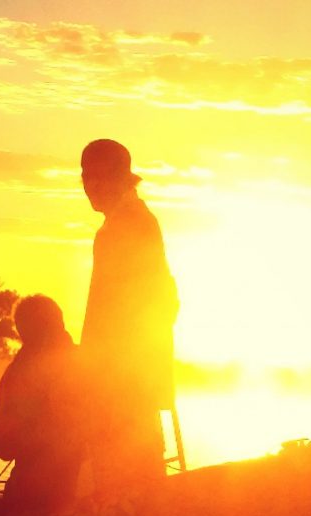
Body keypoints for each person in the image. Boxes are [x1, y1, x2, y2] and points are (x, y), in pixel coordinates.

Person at [79, 139, 178, 492]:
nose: (90, 186)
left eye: (98, 176)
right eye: (85, 176)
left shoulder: (132, 223)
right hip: (121, 377)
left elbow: (159, 299)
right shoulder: (120, 224)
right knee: (119, 472)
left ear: (120, 177)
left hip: (125, 380)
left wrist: (110, 365)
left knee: (129, 476)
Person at [0, 295, 85, 509]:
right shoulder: (17, 374)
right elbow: (2, 447)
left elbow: (2, 447)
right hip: (40, 496)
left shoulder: (18, 373)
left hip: (55, 494)